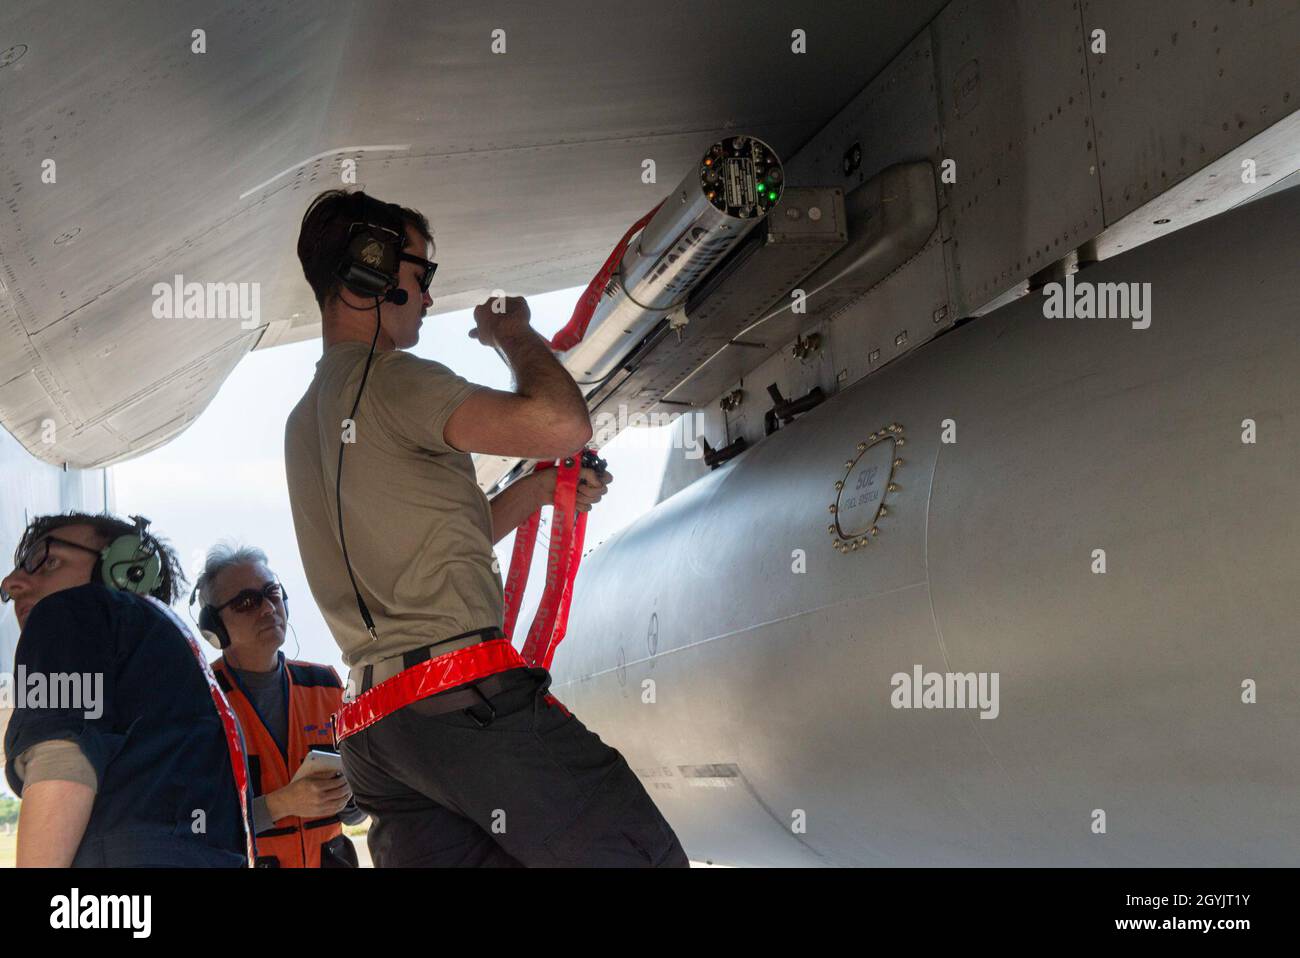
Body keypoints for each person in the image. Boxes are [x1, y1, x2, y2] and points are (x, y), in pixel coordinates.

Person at [283, 188, 688, 866]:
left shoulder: (305, 421)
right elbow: (562, 422)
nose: (430, 297)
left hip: (381, 731)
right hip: (456, 699)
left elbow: (435, 543)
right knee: (636, 855)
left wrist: (541, 489)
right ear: (371, 270)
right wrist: (513, 333)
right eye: (422, 275)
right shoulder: (391, 382)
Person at [1, 512, 250, 867]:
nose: (12, 582)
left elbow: (62, 761)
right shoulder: (183, 667)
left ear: (128, 567)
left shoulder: (67, 610)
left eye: (49, 561)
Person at [193, 543, 365, 867]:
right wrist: (280, 805)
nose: (268, 609)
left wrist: (352, 793)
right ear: (214, 628)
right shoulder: (199, 700)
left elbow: (357, 812)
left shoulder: (326, 684)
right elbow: (193, 823)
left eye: (272, 592)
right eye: (246, 602)